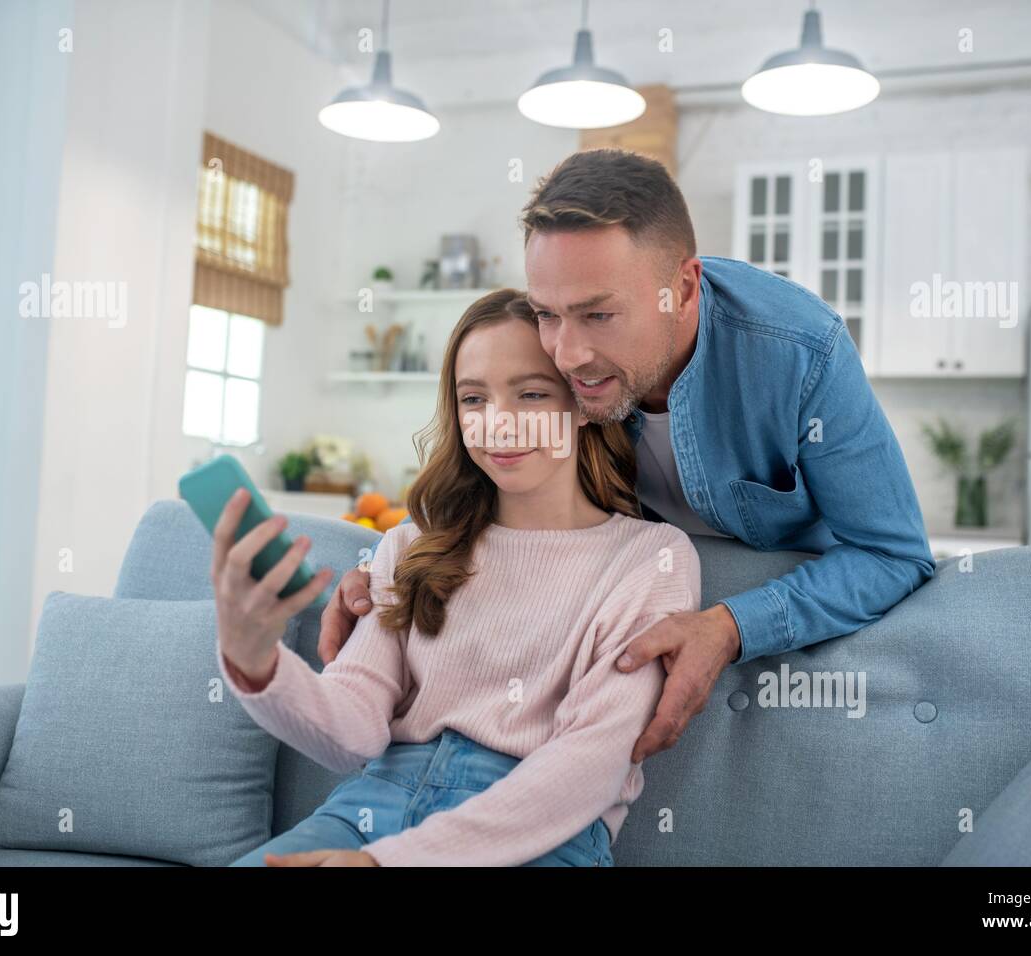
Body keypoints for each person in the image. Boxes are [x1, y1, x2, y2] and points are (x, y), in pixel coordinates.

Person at [321, 147, 936, 765]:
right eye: (547, 315)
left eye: (599, 315)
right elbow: (506, 471)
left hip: (789, 619)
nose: (566, 353)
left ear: (684, 289)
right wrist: (395, 567)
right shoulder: (568, 363)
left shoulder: (801, 351)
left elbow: (893, 552)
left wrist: (730, 626)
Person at [213, 289, 701, 866]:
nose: (498, 424)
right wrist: (255, 662)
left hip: (537, 837)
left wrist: (391, 862)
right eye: (474, 398)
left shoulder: (651, 558)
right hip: (371, 807)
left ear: (581, 404)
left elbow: (590, 763)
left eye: (531, 394)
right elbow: (354, 731)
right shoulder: (410, 545)